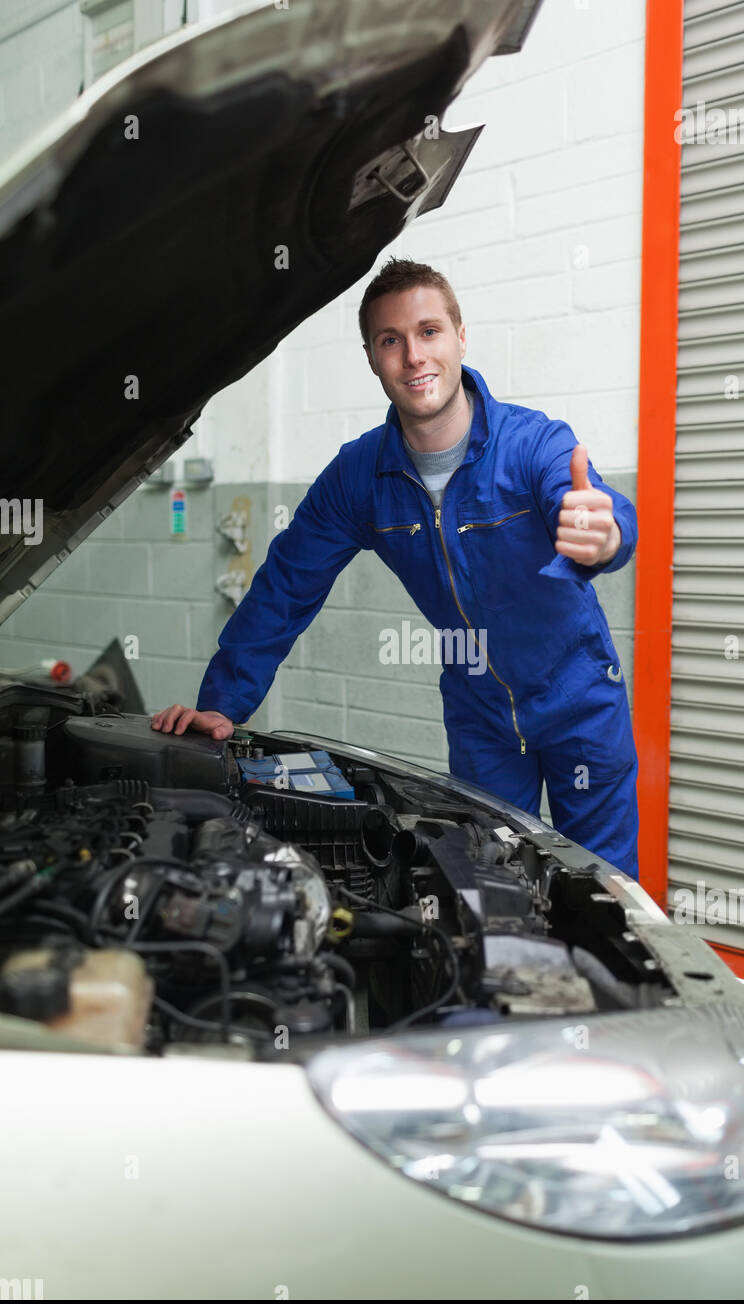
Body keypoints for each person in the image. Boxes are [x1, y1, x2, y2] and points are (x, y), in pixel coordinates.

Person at [152, 258, 639, 878]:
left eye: (430, 332)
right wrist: (223, 704)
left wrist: (606, 535)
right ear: (371, 356)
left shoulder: (533, 445)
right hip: (478, 710)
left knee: (603, 890)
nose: (414, 356)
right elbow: (285, 587)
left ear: (462, 336)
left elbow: (601, 511)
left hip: (579, 699)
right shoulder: (360, 477)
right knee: (492, 884)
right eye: (392, 340)